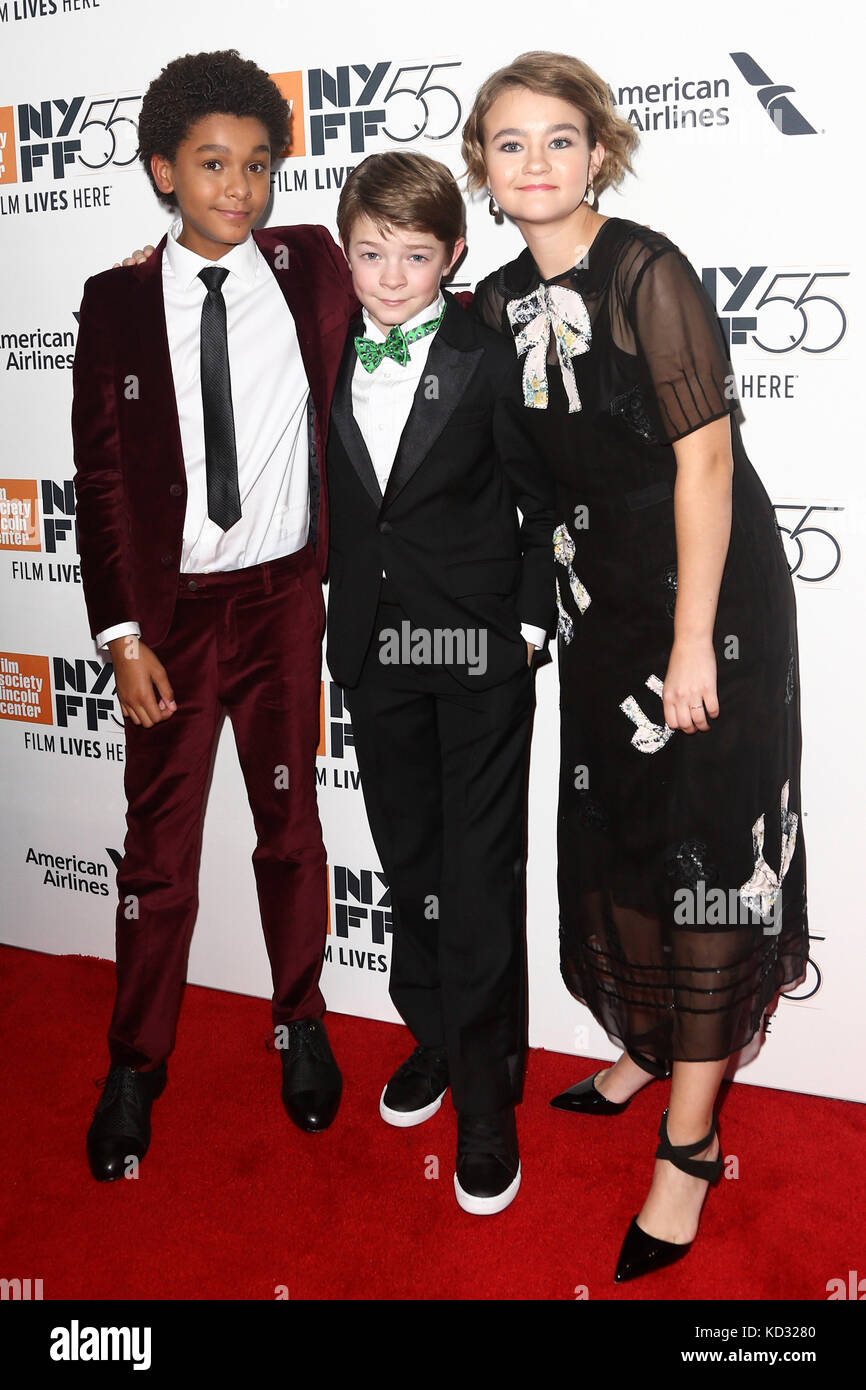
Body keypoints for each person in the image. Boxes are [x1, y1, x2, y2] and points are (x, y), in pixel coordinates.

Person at [462, 51, 808, 1275]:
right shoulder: (496, 297)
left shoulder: (643, 271)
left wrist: (686, 641)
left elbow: (704, 464)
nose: (537, 163)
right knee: (615, 829)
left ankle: (689, 1144)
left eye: (560, 140)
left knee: (702, 847)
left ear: (598, 152)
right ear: (483, 168)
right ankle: (649, 1042)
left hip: (702, 597)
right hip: (597, 603)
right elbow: (368, 301)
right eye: (510, 144)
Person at [72, 50, 355, 1182]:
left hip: (284, 599)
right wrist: (122, 633)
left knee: (291, 833)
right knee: (157, 856)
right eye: (209, 165)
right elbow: (98, 479)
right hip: (173, 621)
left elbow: (411, 270)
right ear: (162, 172)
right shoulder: (114, 300)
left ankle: (299, 1022)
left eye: (254, 165)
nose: (236, 187)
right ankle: (135, 1062)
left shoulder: (314, 267)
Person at [325, 150, 555, 1213]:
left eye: (413, 256)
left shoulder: (487, 345)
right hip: (374, 651)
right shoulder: (317, 336)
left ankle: (485, 1093)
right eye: (369, 252)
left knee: (475, 875)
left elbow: (544, 492)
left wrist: (523, 622)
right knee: (407, 857)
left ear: (451, 255)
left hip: (473, 655)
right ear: (344, 251)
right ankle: (431, 1034)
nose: (387, 275)